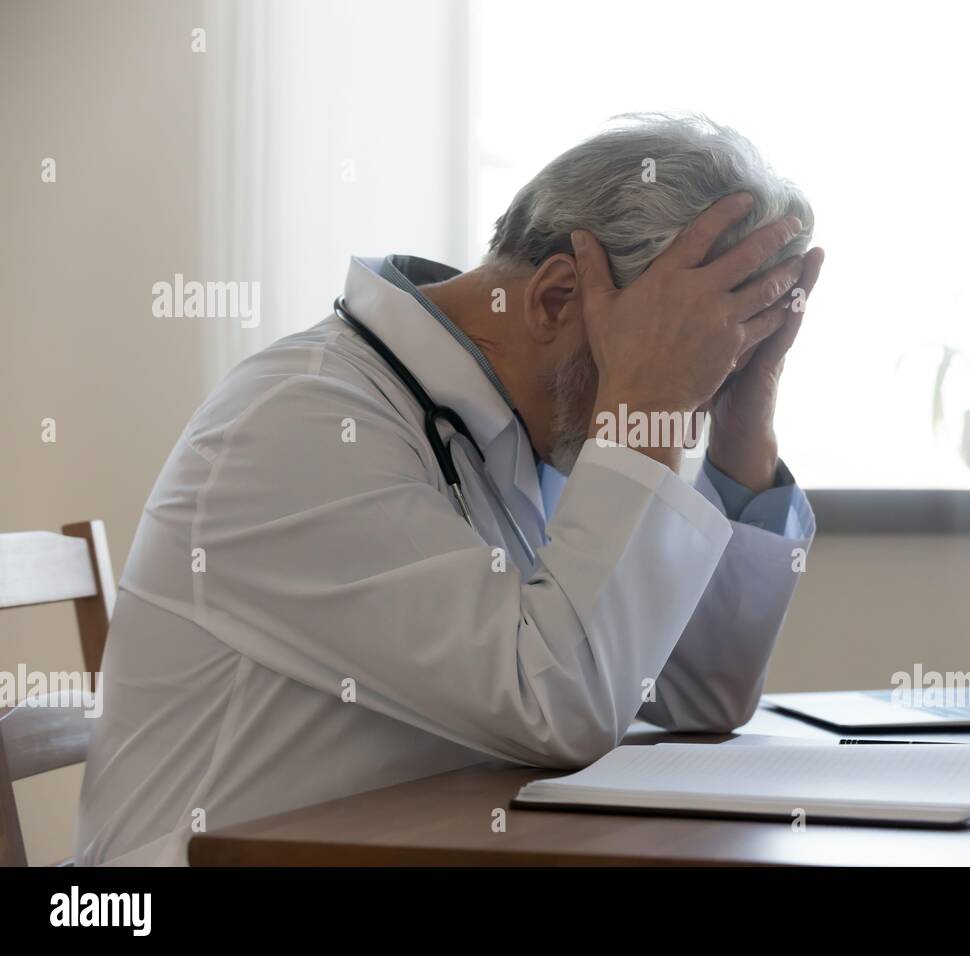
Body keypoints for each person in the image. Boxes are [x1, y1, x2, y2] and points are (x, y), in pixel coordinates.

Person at [77, 114, 825, 865]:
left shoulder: (511, 428)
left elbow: (700, 695)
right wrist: (648, 405)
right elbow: (562, 706)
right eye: (688, 357)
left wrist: (743, 411)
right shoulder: (303, 422)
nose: (684, 408)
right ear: (558, 299)